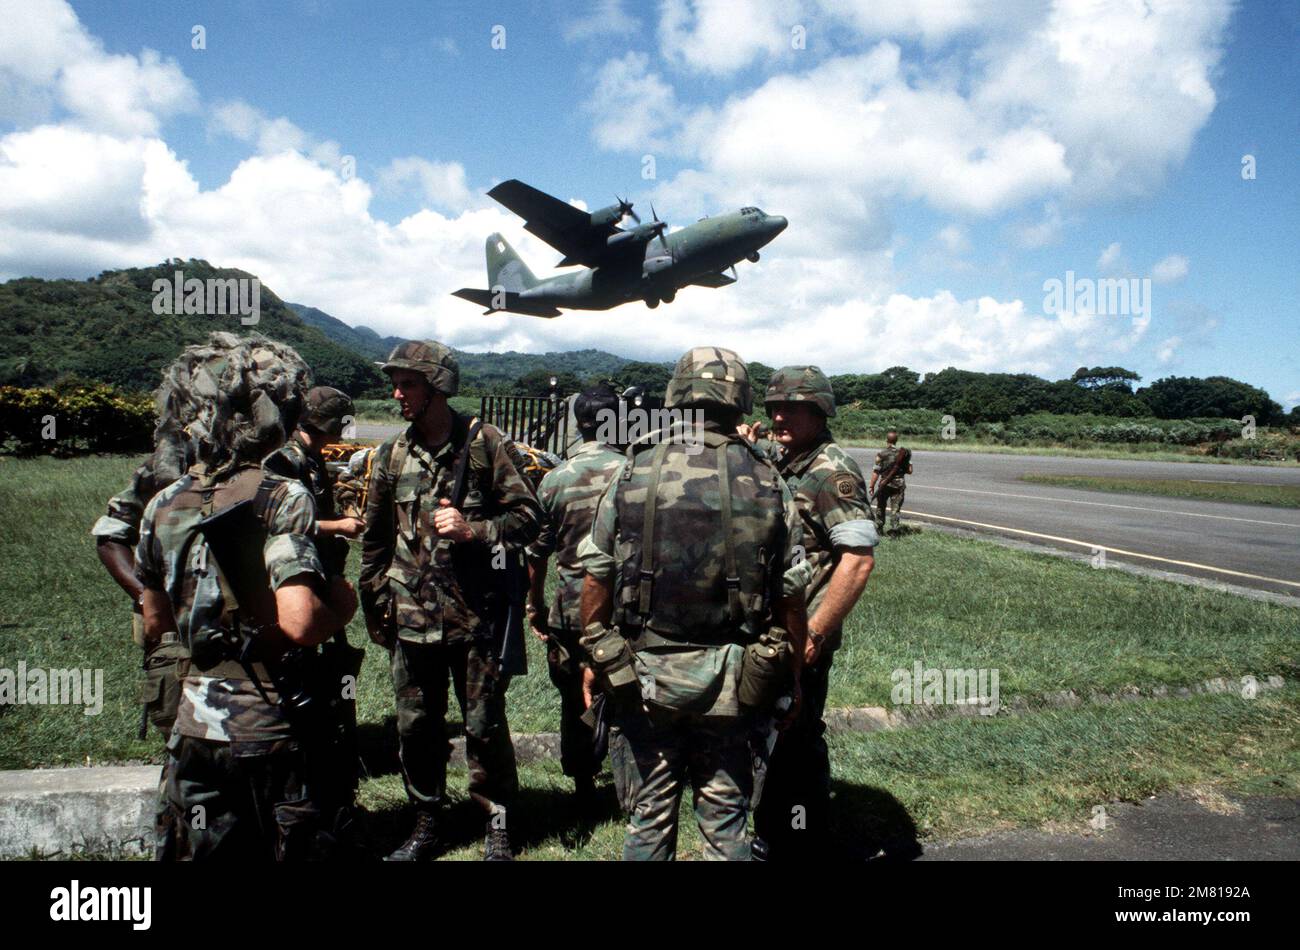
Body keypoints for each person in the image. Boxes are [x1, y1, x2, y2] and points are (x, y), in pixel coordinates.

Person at [136, 332, 359, 861]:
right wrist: (344, 604)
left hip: (193, 725)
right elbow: (300, 623)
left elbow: (155, 621)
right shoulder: (281, 496)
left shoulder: (164, 502)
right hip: (269, 722)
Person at [578, 346, 807, 860]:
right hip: (735, 679)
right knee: (726, 820)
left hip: (644, 676)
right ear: (742, 402)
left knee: (648, 816)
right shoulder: (768, 478)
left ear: (678, 397)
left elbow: (595, 572)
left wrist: (593, 649)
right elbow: (791, 592)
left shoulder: (636, 467)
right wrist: (791, 673)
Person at [359, 341, 541, 861]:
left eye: (407, 383)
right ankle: (426, 823)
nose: (397, 393)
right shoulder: (391, 453)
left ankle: (497, 822)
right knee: (416, 727)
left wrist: (474, 529)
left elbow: (528, 517)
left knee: (484, 725)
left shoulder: (484, 444)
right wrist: (376, 604)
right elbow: (374, 538)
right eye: (395, 383)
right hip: (411, 615)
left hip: (474, 616)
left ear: (437, 387)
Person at [745, 365, 877, 860]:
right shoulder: (791, 459)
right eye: (774, 406)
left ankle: (796, 841)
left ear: (819, 412)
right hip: (780, 631)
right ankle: (779, 832)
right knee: (778, 734)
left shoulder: (831, 472)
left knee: (794, 738)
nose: (779, 415)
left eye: (792, 408)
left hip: (804, 636)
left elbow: (858, 560)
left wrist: (816, 635)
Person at [263, 385, 368, 820]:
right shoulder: (284, 460)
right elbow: (281, 522)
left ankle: (327, 764)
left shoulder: (311, 458)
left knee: (328, 677)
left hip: (317, 580)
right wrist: (339, 525)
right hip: (295, 583)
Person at [525, 382, 625, 810]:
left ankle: (583, 783)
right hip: (623, 608)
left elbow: (536, 553)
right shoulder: (635, 471)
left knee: (573, 698)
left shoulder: (554, 479)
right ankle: (631, 784)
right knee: (626, 690)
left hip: (570, 610)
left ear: (578, 424)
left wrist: (535, 603)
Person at [93, 443, 190, 740]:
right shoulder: (167, 465)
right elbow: (111, 535)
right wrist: (145, 596)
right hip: (172, 631)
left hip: (239, 626)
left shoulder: (261, 462)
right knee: (177, 726)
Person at [870, 430, 912, 534]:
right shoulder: (903, 453)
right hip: (899, 485)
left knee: (880, 507)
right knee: (895, 509)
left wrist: (871, 486)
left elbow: (876, 471)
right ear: (896, 440)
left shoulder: (881, 454)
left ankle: (879, 529)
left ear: (887, 440)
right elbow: (910, 471)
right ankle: (894, 530)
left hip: (885, 484)